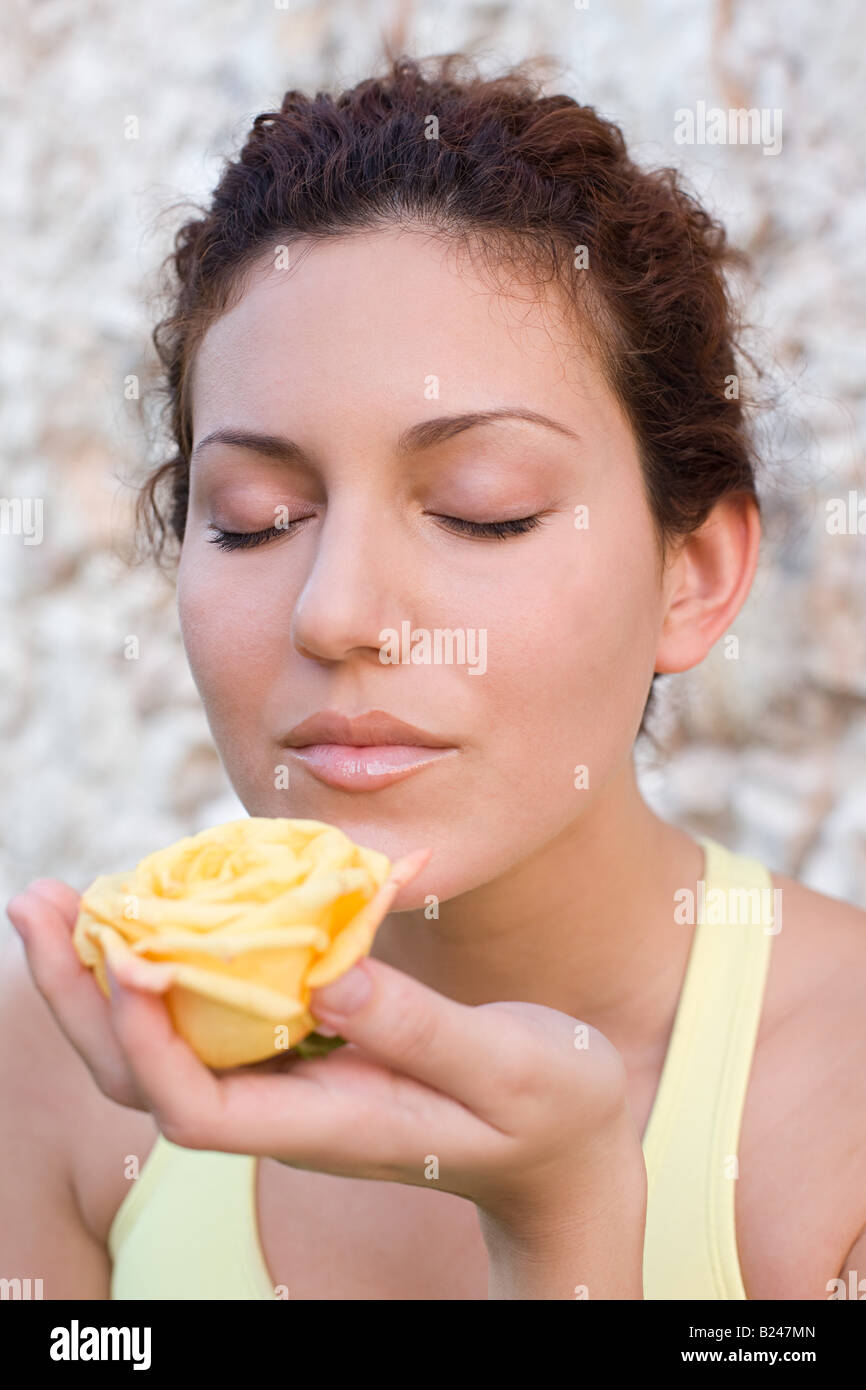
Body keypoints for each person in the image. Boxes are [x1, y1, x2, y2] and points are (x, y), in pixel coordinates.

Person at [4, 51, 865, 1301]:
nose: (337, 612)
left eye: (483, 511)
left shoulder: (841, 1100)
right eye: (250, 517)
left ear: (694, 576)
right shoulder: (67, 1072)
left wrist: (566, 1224)